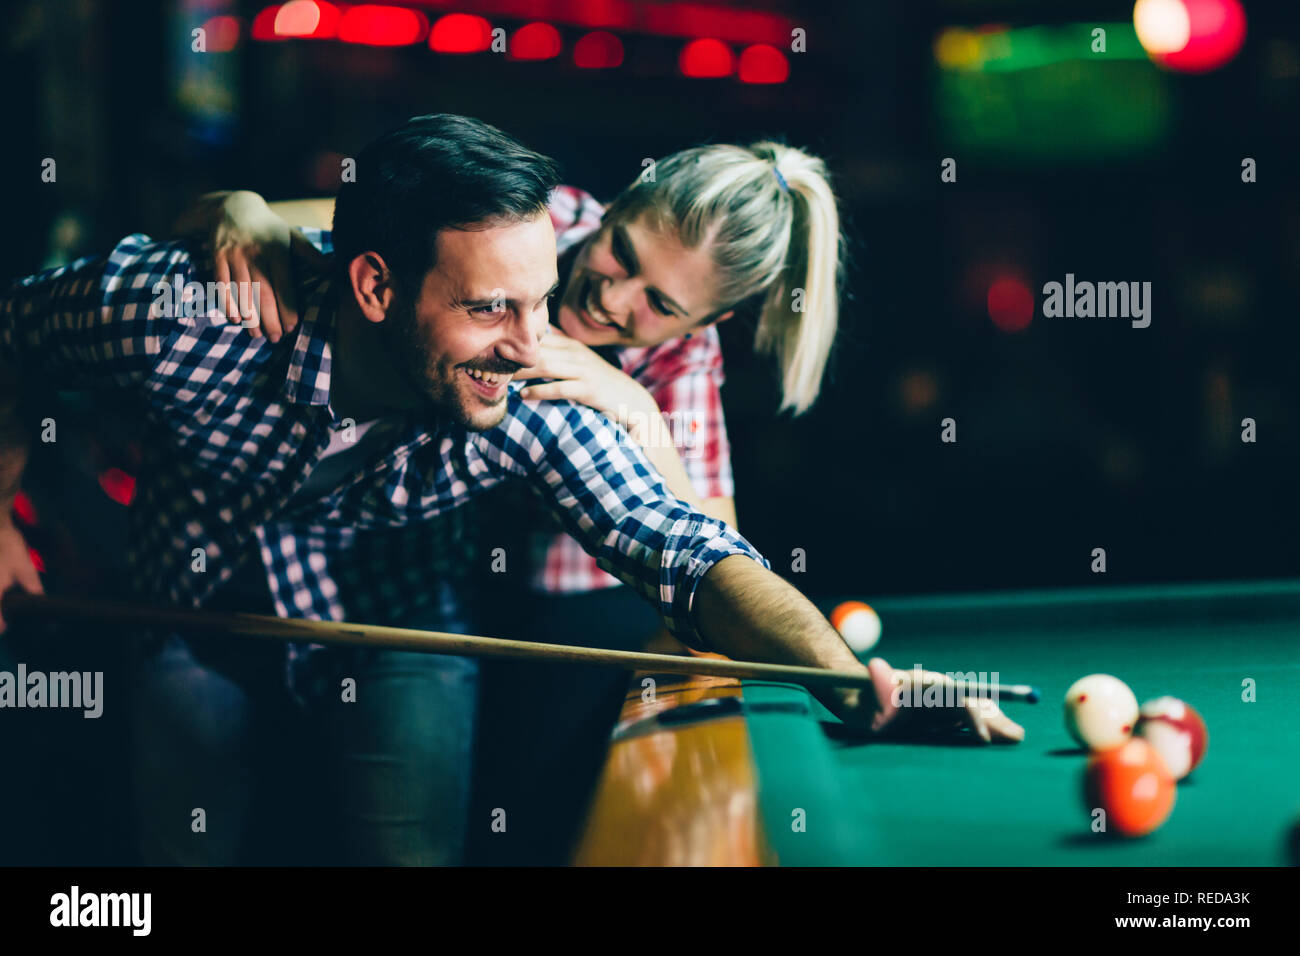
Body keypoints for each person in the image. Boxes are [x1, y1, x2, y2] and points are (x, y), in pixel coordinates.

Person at [0, 114, 1022, 866]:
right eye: (501, 303)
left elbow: (690, 548)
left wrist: (842, 674)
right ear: (372, 282)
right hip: (187, 607)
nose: (566, 322)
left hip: (410, 618)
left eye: (648, 303)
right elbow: (17, 335)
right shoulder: (182, 315)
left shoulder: (524, 383)